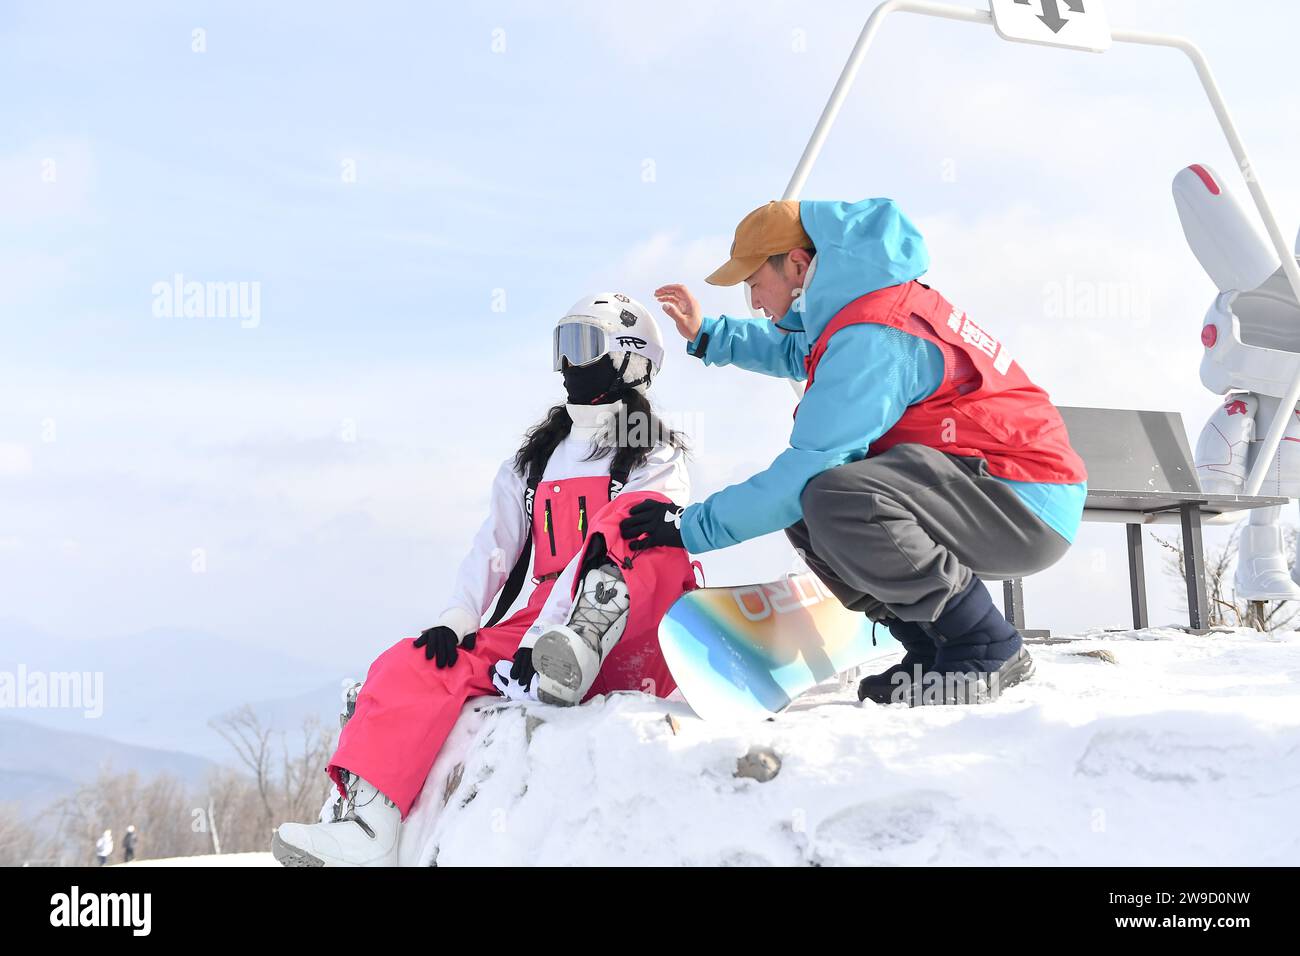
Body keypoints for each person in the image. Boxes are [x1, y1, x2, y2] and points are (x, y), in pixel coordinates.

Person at [272, 293, 696, 866]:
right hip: (542, 623)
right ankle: (368, 830)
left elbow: (647, 548)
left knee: (633, 522)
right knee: (411, 663)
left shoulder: (655, 453)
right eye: (563, 346)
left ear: (628, 359)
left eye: (585, 346)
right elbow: (494, 548)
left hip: (633, 629)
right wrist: (460, 617)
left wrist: (555, 626)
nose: (569, 364)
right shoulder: (537, 462)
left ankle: (575, 645)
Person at [637, 199, 1087, 706]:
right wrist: (709, 335)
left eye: (754, 281)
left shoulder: (875, 334)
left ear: (799, 266)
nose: (754, 300)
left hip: (1023, 499)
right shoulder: (859, 310)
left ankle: (984, 644)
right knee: (812, 509)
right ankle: (930, 647)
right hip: (989, 485)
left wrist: (690, 527)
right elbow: (797, 350)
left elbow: (811, 463)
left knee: (832, 495)